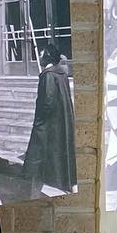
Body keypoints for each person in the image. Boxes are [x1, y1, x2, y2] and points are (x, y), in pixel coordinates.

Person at [23, 49, 76, 195]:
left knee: (37, 161)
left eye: (40, 55)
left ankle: (33, 196)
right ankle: (72, 189)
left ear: (46, 57)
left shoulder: (48, 75)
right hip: (61, 123)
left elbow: (47, 101)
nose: (38, 57)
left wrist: (39, 123)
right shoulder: (62, 74)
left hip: (47, 127)